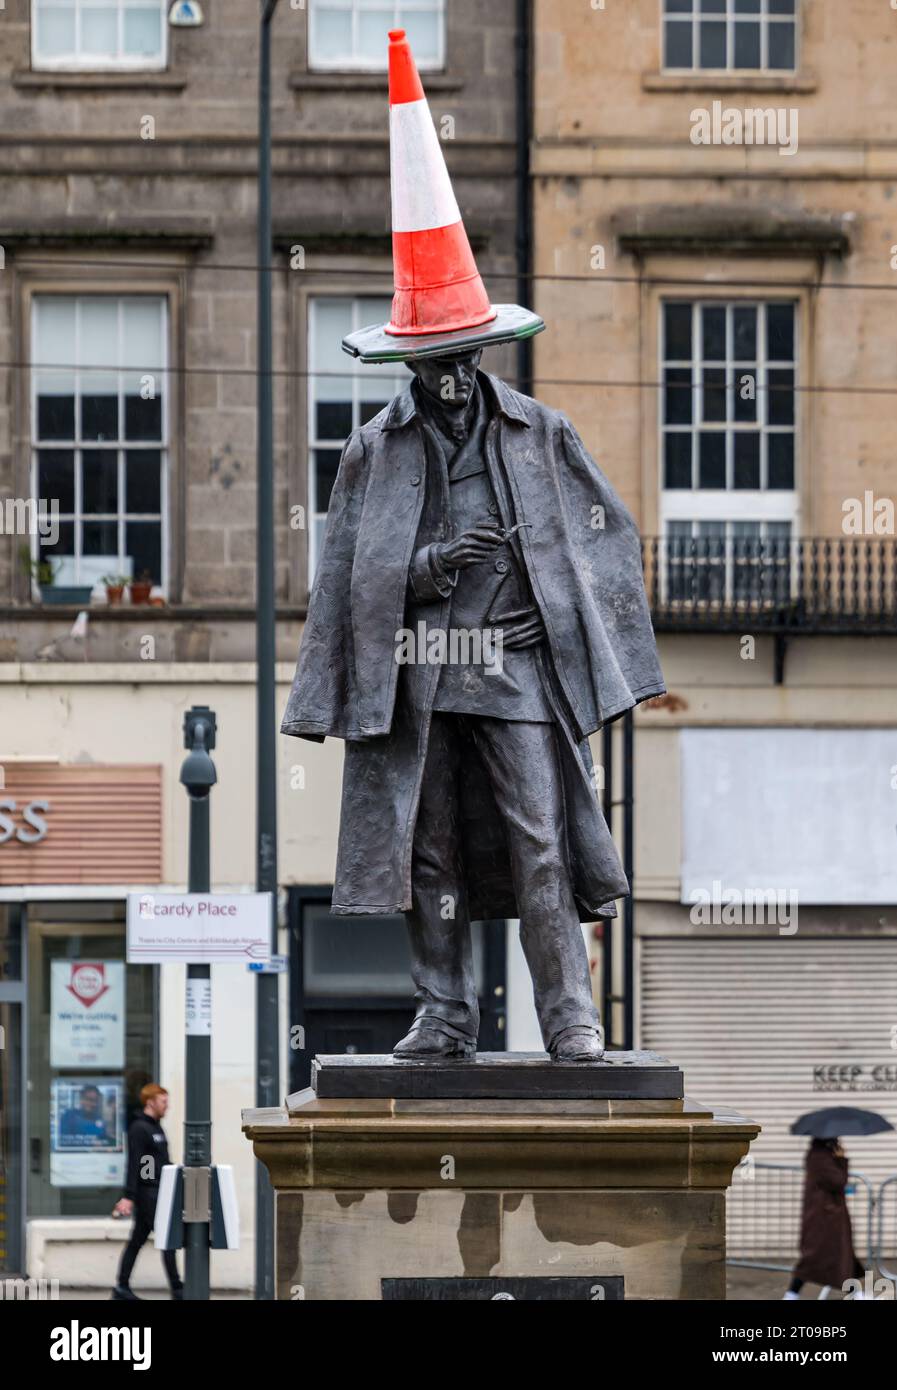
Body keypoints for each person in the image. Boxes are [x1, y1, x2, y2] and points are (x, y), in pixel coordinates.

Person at [281, 30, 664, 1065]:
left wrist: (562, 610)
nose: (450, 373)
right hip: (419, 680)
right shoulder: (372, 451)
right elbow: (347, 585)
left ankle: (570, 1018)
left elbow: (609, 543)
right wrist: (422, 573)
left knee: (541, 842)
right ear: (409, 359)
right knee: (429, 846)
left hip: (516, 675)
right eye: (432, 358)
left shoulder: (541, 434)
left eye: (462, 354)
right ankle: (443, 1012)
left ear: (484, 347)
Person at [111, 1083, 183, 1300]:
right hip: (149, 1194)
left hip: (157, 1191)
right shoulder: (140, 1129)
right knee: (167, 1239)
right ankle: (178, 1288)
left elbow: (158, 1161)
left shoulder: (155, 1128)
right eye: (163, 1102)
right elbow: (137, 1164)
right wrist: (130, 1196)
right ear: (150, 1101)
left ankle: (121, 1287)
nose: (167, 1107)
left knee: (137, 1240)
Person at [784, 1137, 867, 1300]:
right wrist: (842, 1160)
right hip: (825, 1218)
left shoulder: (819, 1155)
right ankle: (791, 1295)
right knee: (816, 1259)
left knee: (843, 1257)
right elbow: (838, 1181)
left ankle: (857, 1294)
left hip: (828, 1216)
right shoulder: (820, 1157)